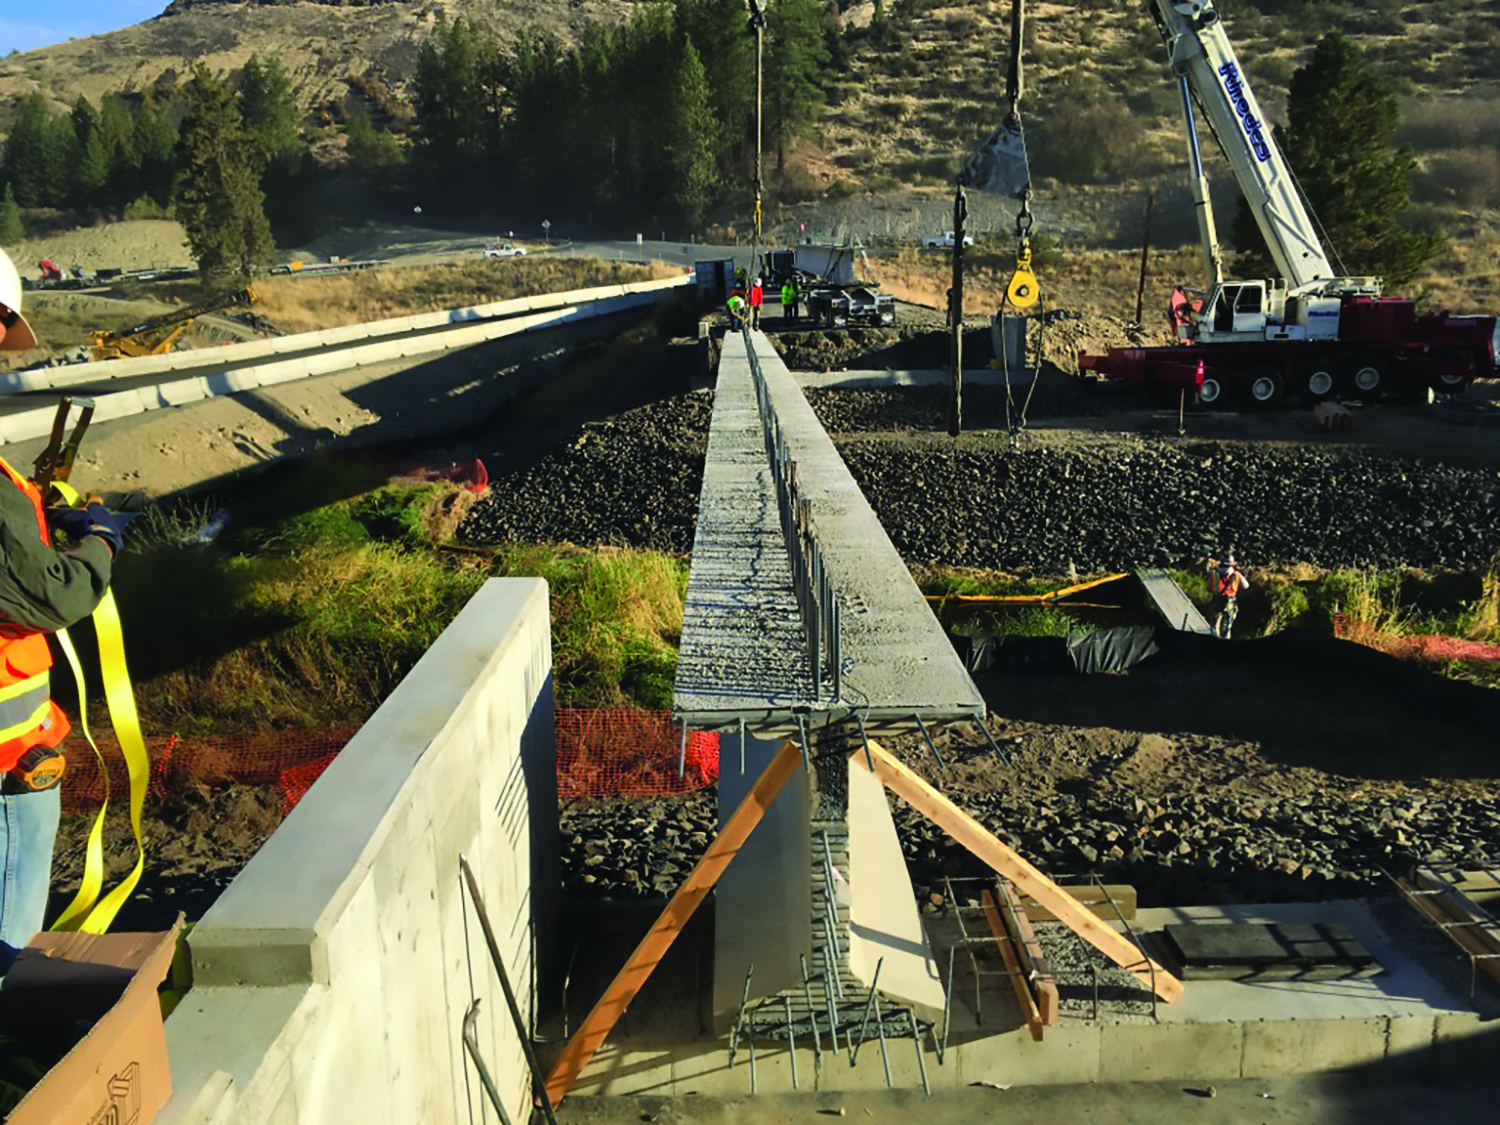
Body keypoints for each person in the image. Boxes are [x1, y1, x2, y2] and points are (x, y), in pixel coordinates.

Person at [0, 247, 130, 965]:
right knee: (8, 945)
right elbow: (54, 594)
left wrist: (37, 524)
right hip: (7, 767)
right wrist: (99, 543)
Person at [1208, 553, 1249, 639]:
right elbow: (1246, 586)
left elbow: (1208, 587)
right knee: (1227, 626)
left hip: (1217, 601)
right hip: (1230, 602)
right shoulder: (1236, 574)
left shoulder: (1215, 574)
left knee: (1214, 625)